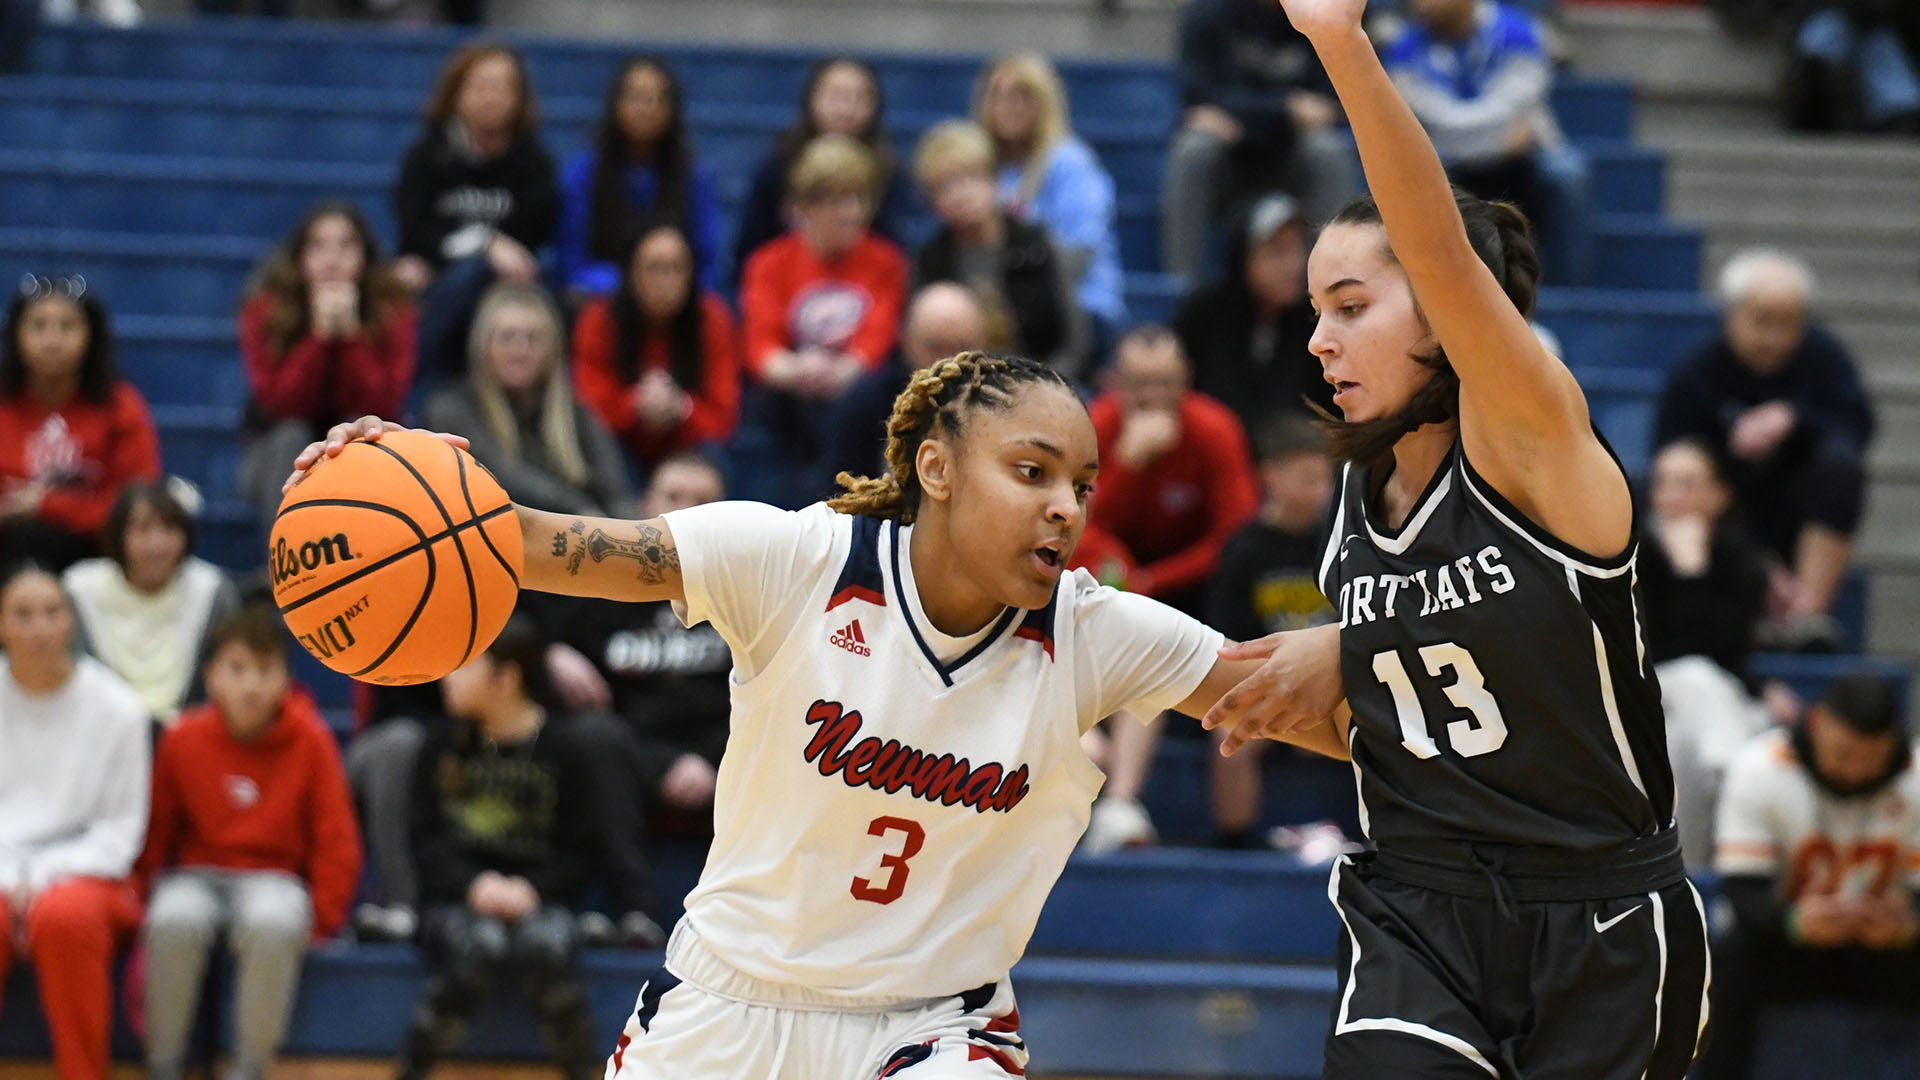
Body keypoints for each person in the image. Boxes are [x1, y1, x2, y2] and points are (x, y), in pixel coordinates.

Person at [284, 345, 1352, 1077]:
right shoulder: (797, 559)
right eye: (1031, 472)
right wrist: (412, 477)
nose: (1065, 507)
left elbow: (1307, 710)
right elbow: (540, 545)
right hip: (727, 1005)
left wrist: (1388, 686)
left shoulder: (1098, 629)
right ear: (934, 467)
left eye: (1080, 482)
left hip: (936, 1030)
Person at [1205, 0, 1708, 1075]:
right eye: (1313, 309)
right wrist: (1333, 671)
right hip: (1419, 909)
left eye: (1348, 305)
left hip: (1600, 922)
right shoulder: (1352, 498)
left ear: (1440, 313)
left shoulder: (1533, 442)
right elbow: (1435, 729)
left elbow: (1434, 248)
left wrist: (1341, 44)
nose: (1317, 338)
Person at [1088, 414, 1338, 853]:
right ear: (1272, 476)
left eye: (1325, 480)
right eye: (1307, 478)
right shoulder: (1244, 550)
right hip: (1269, 677)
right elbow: (1230, 644)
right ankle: (1235, 842)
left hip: (1337, 676)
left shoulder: (1342, 542)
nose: (1320, 491)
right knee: (1231, 735)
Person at [137, 605, 363, 1080]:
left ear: (285, 679)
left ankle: (248, 1070)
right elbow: (157, 829)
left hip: (275, 880)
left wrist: (321, 917)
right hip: (196, 875)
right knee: (173, 918)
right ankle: (163, 1066)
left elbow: (336, 839)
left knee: (274, 923)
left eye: (265, 670)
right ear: (211, 677)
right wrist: (141, 896)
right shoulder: (183, 738)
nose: (251, 685)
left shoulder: (312, 741)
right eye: (237, 669)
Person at [397, 615, 605, 1080]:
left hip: (542, 901)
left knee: (545, 944)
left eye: (464, 666)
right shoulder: (440, 744)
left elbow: (582, 851)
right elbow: (425, 842)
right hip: (455, 901)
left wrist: (532, 890)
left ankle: (586, 1071)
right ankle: (412, 1068)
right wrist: (474, 886)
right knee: (482, 944)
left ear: (507, 678)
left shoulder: (566, 751)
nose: (447, 676)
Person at [1654, 248, 1875, 651]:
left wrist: (1794, 419)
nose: (1773, 337)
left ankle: (1808, 614)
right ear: (1731, 315)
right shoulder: (1696, 374)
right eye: (1761, 321)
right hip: (1730, 520)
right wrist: (1759, 564)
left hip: (1803, 514)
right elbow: (1671, 458)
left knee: (1841, 465)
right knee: (1685, 487)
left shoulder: (1824, 358)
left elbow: (1859, 424)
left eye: (1788, 323)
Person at [1703, 672, 1920, 1080]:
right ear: (1817, 724)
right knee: (1730, 959)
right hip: (1787, 939)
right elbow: (1742, 891)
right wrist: (1794, 922)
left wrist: (1906, 928)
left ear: (1893, 741)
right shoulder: (1759, 768)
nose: (1855, 771)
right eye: (1843, 753)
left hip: (1884, 946)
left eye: (1870, 757)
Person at [0, 562, 149, 1080]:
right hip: (4, 872)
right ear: (2, 626)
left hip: (92, 874)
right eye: (23, 614)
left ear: (71, 622)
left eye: (52, 612)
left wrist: (39, 880)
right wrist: (13, 880)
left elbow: (121, 832)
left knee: (64, 917)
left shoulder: (120, 709)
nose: (40, 628)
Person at [531, 452, 732, 822]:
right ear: (645, 507)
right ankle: (630, 882)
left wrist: (709, 761)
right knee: (591, 736)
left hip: (728, 759)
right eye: (673, 498)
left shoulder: (748, 592)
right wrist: (550, 651)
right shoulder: (602, 580)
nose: (686, 512)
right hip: (631, 754)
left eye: (702, 502)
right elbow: (519, 621)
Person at [738, 135, 909, 496]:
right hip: (791, 394)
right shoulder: (769, 263)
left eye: (858, 198)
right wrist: (799, 370)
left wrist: (842, 372)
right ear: (804, 207)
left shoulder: (886, 261)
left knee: (867, 399)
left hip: (855, 392)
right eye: (836, 201)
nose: (851, 212)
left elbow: (877, 339)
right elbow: (761, 345)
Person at [237, 201, 417, 538]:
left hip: (362, 439)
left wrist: (351, 338)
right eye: (318, 246)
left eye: (346, 245)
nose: (332, 259)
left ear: (365, 256)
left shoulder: (393, 309)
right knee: (291, 436)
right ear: (299, 257)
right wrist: (319, 338)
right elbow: (280, 405)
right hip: (274, 449)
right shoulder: (264, 308)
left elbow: (385, 405)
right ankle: (288, 563)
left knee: (369, 437)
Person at [1639, 439, 1778, 870]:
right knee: (1696, 680)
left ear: (1719, 495)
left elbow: (1729, 651)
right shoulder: (1625, 552)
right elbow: (1656, 650)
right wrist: (1688, 573)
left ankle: (1700, 880)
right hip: (1649, 695)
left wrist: (1696, 571)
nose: (1671, 495)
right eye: (1663, 482)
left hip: (1702, 713)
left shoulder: (1742, 559)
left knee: (1685, 750)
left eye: (1686, 483)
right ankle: (1735, 775)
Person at [1382, 0, 1591, 284]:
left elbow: (1517, 102)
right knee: (1404, 176)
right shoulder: (1403, 46)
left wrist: (1469, 138)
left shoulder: (1520, 31)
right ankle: (1427, 285)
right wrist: (1489, 142)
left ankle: (1568, 291)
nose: (1419, 4)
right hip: (1451, 154)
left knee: (1567, 172)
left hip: (1521, 154)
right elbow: (1423, 112)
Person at [394, 42, 558, 379]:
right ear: (456, 93)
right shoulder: (425, 156)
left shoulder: (534, 162)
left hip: (508, 287)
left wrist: (474, 248)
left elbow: (532, 236)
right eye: (481, 85)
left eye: (502, 87)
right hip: (439, 281)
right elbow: (416, 232)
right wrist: (485, 242)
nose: (491, 97)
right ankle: (422, 387)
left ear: (519, 98)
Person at [1160, 0, 1356, 281]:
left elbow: (1330, 106)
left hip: (1292, 159)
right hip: (1230, 162)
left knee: (1328, 151)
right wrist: (1286, 110)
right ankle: (1181, 288)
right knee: (1193, 149)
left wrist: (1241, 115)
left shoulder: (1320, 13)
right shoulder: (1208, 11)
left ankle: (1337, 282)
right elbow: (1197, 100)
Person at [1086, 325, 1260, 613]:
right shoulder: (1095, 426)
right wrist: (1126, 466)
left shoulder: (1216, 429)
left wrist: (1152, 580)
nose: (1153, 396)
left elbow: (1235, 536)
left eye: (1166, 382)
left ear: (1187, 378)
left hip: (1198, 588)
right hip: (1110, 587)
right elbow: (1082, 527)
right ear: (1114, 382)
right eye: (1139, 383)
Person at [424, 282, 632, 518]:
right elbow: (502, 476)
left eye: (533, 338)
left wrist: (636, 537)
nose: (520, 350)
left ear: (552, 350)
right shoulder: (451, 408)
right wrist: (581, 512)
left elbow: (617, 491)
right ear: (483, 345)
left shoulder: (575, 412)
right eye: (507, 338)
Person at [0, 274, 162, 572]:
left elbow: (134, 507)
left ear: (91, 335)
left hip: (96, 556)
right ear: (15, 334)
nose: (52, 340)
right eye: (38, 325)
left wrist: (45, 504)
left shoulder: (121, 405)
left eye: (68, 326)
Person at [975, 54, 1128, 349]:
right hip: (1007, 309)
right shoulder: (983, 165)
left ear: (1045, 103)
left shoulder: (1070, 162)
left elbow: (1079, 253)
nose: (1008, 107)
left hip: (1077, 307)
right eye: (999, 96)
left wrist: (1020, 289)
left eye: (1022, 96)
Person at [63, 478, 239, 725]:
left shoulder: (213, 592)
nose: (157, 544)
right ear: (119, 534)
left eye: (169, 529)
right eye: (143, 529)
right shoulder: (79, 590)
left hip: (188, 737)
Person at [571, 220, 742, 470]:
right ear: (631, 273)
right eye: (655, 268)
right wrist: (635, 404)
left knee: (717, 456)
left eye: (676, 268)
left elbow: (723, 419)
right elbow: (589, 412)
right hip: (621, 444)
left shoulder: (713, 317)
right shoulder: (599, 318)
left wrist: (682, 407)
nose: (667, 281)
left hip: (688, 445)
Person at [910, 120, 1077, 376]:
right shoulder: (931, 256)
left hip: (1038, 381)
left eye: (971, 177)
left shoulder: (1035, 245)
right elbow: (919, 349)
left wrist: (1044, 386)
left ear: (994, 180)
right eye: (946, 186)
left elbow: (1073, 340)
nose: (961, 194)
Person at [731, 57, 915, 281]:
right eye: (835, 96)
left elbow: (896, 248)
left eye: (859, 98)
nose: (845, 109)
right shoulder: (777, 165)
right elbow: (751, 245)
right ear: (811, 99)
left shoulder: (889, 171)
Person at [558, 56, 725, 299]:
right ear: (616, 103)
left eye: (656, 99)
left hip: (675, 298)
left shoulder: (694, 174)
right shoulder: (584, 173)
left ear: (672, 109)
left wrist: (671, 283)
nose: (645, 108)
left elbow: (707, 262)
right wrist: (633, 283)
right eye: (635, 97)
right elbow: (572, 261)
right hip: (604, 297)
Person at [1173, 193, 1331, 433]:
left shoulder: (1317, 316)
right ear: (1242, 256)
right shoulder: (1201, 314)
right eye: (1278, 251)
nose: (1294, 265)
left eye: (1298, 249)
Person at [819, 282, 991, 491]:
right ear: (907, 342)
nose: (949, 362)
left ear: (983, 344)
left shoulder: (1001, 404)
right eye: (935, 347)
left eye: (963, 347)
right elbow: (839, 492)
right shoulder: (866, 402)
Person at [1785, 0, 1920, 133]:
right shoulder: (1823, 30)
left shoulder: (1882, 41)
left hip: (1873, 33)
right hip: (1832, 19)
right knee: (1816, 55)